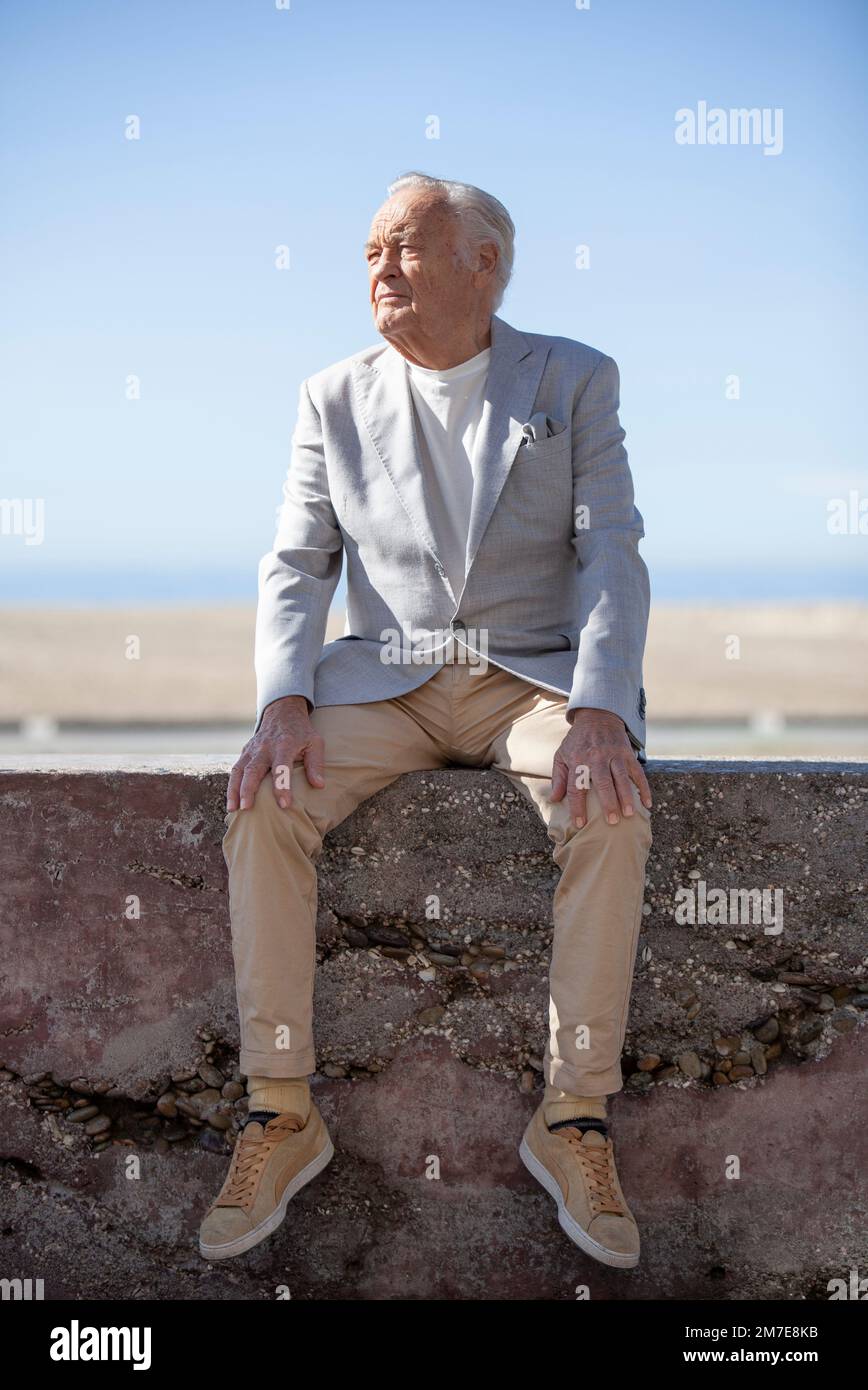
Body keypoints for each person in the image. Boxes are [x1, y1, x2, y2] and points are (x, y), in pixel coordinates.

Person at [199, 171, 653, 1269]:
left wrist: (598, 706)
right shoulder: (329, 395)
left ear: (481, 265)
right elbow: (298, 562)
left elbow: (610, 553)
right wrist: (284, 699)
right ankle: (279, 1106)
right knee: (266, 796)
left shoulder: (575, 378)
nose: (379, 271)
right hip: (381, 683)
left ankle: (574, 1116)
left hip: (530, 679)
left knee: (608, 808)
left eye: (403, 248)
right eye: (369, 253)